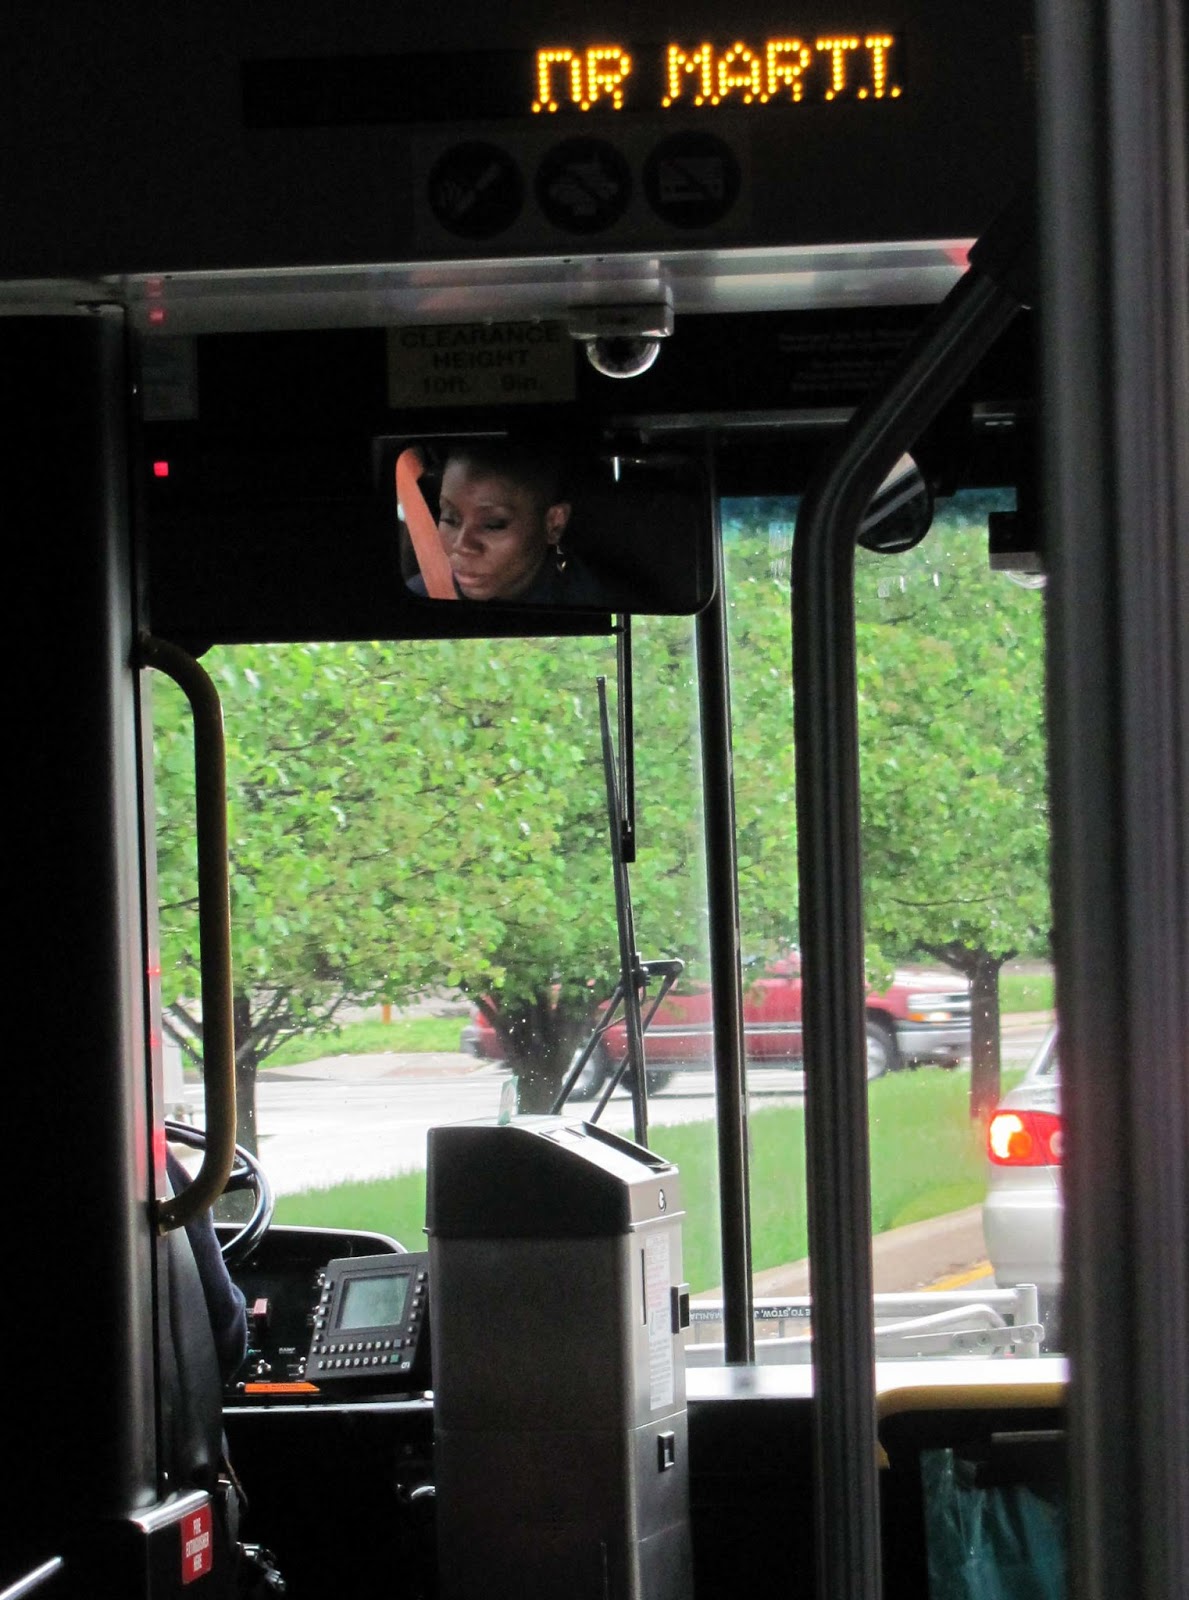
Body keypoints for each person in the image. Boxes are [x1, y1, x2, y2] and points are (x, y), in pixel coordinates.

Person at [405, 439, 622, 607]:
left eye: (492, 524)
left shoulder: (595, 598)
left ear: (553, 524)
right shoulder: (419, 594)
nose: (462, 545)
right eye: (450, 518)